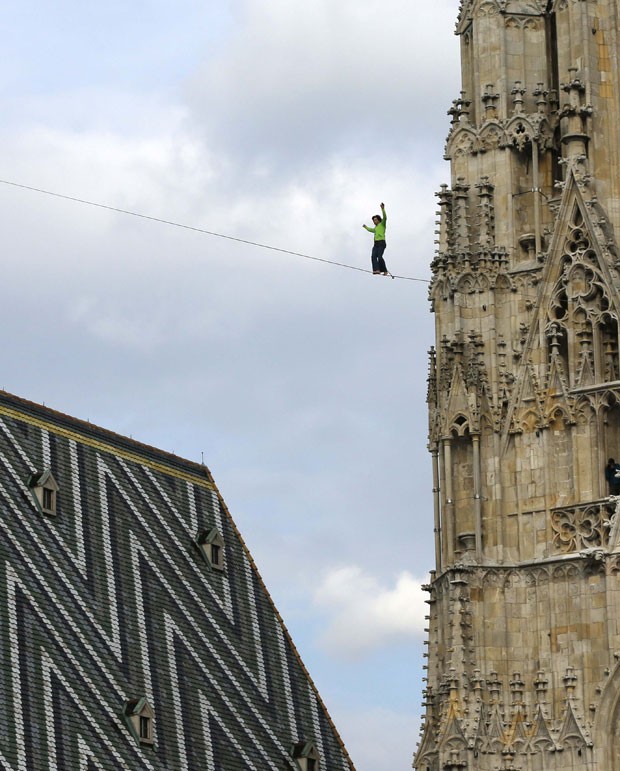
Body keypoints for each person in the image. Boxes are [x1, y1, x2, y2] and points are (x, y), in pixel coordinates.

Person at [363, 202, 389, 275]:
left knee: (380, 257)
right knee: (373, 256)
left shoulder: (382, 224)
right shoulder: (375, 228)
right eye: (373, 220)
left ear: (378, 220)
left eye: (375, 220)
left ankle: (385, 270)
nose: (374, 221)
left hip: (381, 243)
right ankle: (377, 270)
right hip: (376, 244)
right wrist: (366, 227)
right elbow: (371, 230)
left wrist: (383, 209)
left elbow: (385, 217)